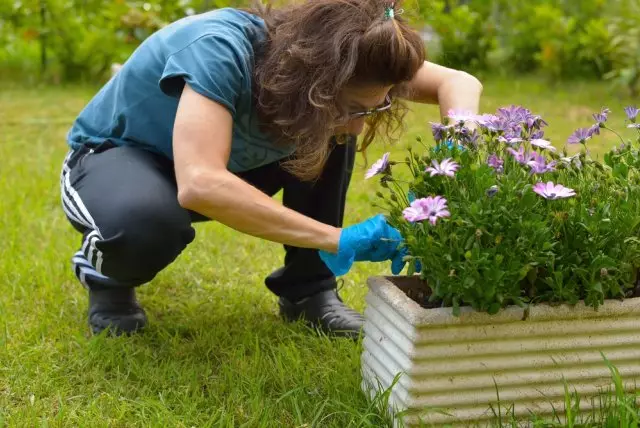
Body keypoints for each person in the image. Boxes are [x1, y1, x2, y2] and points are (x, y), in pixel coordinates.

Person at [59, 0, 482, 339]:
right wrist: (339, 239)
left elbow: (460, 82)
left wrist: (453, 162)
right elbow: (200, 183)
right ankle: (109, 280)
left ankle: (308, 291)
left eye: (376, 107)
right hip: (121, 160)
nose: (358, 126)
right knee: (143, 223)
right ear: (313, 77)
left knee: (326, 130)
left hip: (226, 166)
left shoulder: (360, 55)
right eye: (354, 108)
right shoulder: (218, 49)